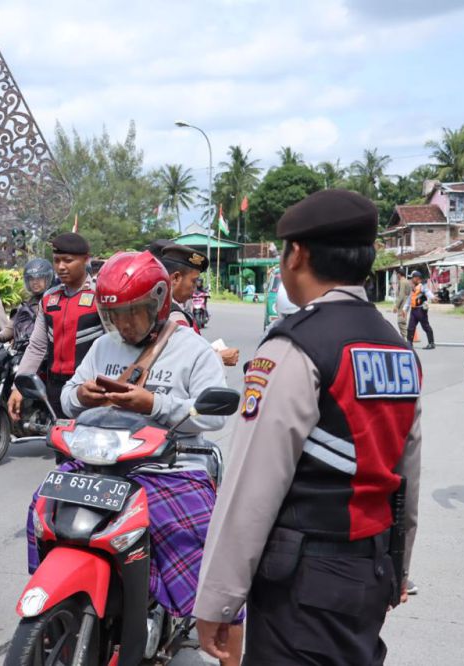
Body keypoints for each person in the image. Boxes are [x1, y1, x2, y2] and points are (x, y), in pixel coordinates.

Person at [194, 189, 422, 665]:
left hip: (303, 583)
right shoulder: (397, 348)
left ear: (296, 255)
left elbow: (252, 488)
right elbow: (408, 475)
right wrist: (398, 564)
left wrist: (218, 599)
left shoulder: (295, 347)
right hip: (369, 574)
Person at [24, 251, 244, 664]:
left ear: (158, 303)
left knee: (197, 533)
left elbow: (213, 416)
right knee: (42, 505)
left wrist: (153, 404)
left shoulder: (192, 350)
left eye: (134, 314)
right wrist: (79, 396)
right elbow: (70, 394)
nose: (124, 325)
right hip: (101, 462)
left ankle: (213, 625)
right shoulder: (104, 345)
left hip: (170, 466)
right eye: (116, 316)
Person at [7, 232, 102, 420]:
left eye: (68, 260)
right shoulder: (49, 299)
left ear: (85, 260)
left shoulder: (100, 295)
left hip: (91, 388)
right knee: (59, 445)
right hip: (55, 388)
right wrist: (18, 386)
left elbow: (116, 343)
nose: (61, 267)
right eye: (56, 261)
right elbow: (37, 346)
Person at [151, 241, 241, 367]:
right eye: (193, 281)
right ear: (176, 278)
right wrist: (220, 357)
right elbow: (181, 360)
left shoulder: (152, 306)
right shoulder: (175, 317)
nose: (194, 289)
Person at [0, 257, 54, 343]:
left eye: (39, 278)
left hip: (43, 349)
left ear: (48, 279)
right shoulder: (26, 305)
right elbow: (11, 327)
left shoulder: (53, 303)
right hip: (21, 348)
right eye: (31, 278)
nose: (35, 282)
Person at [407, 270, 436, 349]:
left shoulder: (422, 286)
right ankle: (409, 344)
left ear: (417, 278)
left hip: (421, 310)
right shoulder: (413, 288)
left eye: (412, 278)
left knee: (425, 326)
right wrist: (405, 309)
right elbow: (409, 299)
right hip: (413, 310)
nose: (411, 279)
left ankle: (431, 343)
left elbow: (428, 292)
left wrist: (433, 297)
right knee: (410, 327)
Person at [394, 267, 411, 340]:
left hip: (403, 304)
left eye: (397, 274)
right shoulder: (407, 281)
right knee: (402, 321)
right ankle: (405, 338)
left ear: (399, 274)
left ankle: (406, 339)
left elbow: (401, 295)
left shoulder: (402, 282)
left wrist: (396, 306)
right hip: (406, 303)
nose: (397, 276)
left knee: (401, 321)